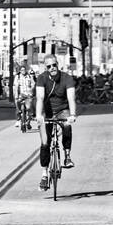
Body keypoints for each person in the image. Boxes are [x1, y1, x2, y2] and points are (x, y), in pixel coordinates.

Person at [34, 55, 78, 190]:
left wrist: (72, 115)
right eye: (48, 66)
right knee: (45, 142)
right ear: (45, 68)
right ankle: (44, 174)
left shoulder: (67, 78)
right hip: (46, 112)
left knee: (66, 125)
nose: (52, 68)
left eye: (54, 65)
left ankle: (67, 156)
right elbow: (40, 98)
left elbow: (71, 98)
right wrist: (38, 116)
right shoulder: (41, 78)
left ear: (57, 64)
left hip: (62, 110)